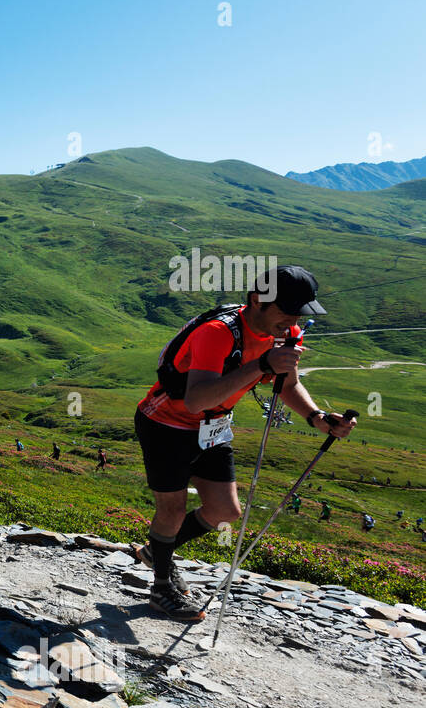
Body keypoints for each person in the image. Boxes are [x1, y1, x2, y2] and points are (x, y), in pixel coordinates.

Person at [132, 265, 356, 621]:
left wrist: (317, 417)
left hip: (214, 426)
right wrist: (261, 364)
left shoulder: (286, 332)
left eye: (300, 313)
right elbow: (195, 400)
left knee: (225, 512)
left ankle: (158, 550)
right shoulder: (217, 334)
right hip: (167, 424)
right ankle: (161, 586)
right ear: (257, 300)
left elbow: (287, 384)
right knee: (172, 510)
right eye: (288, 311)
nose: (294, 320)